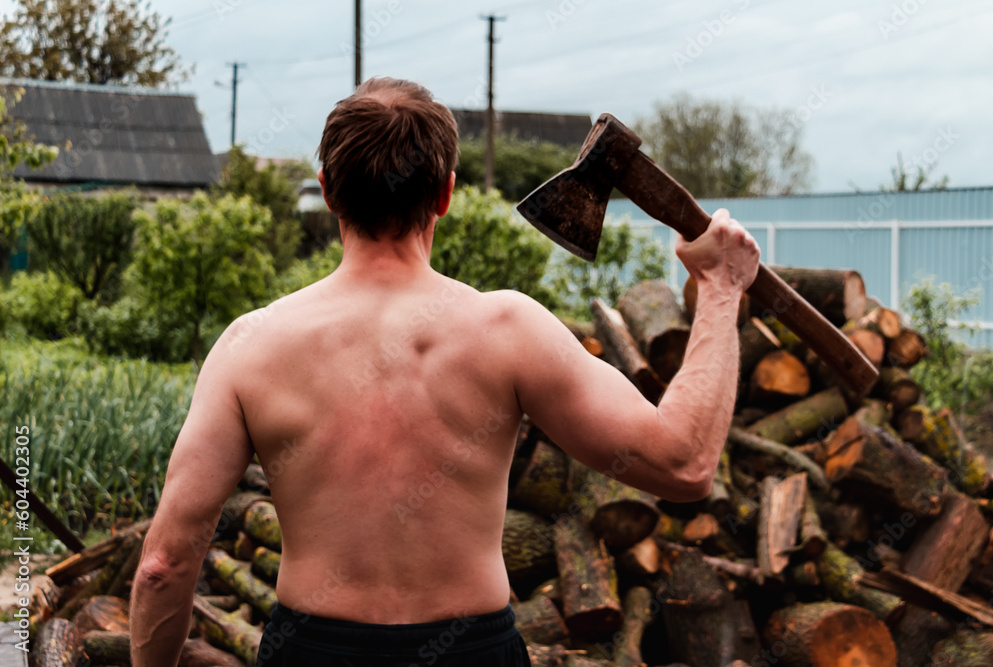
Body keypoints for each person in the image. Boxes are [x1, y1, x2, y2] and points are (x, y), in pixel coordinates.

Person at [129, 76, 760, 667]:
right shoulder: (508, 330)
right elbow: (684, 465)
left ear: (326, 190)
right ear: (446, 193)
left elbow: (163, 562)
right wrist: (721, 287)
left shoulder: (252, 345)